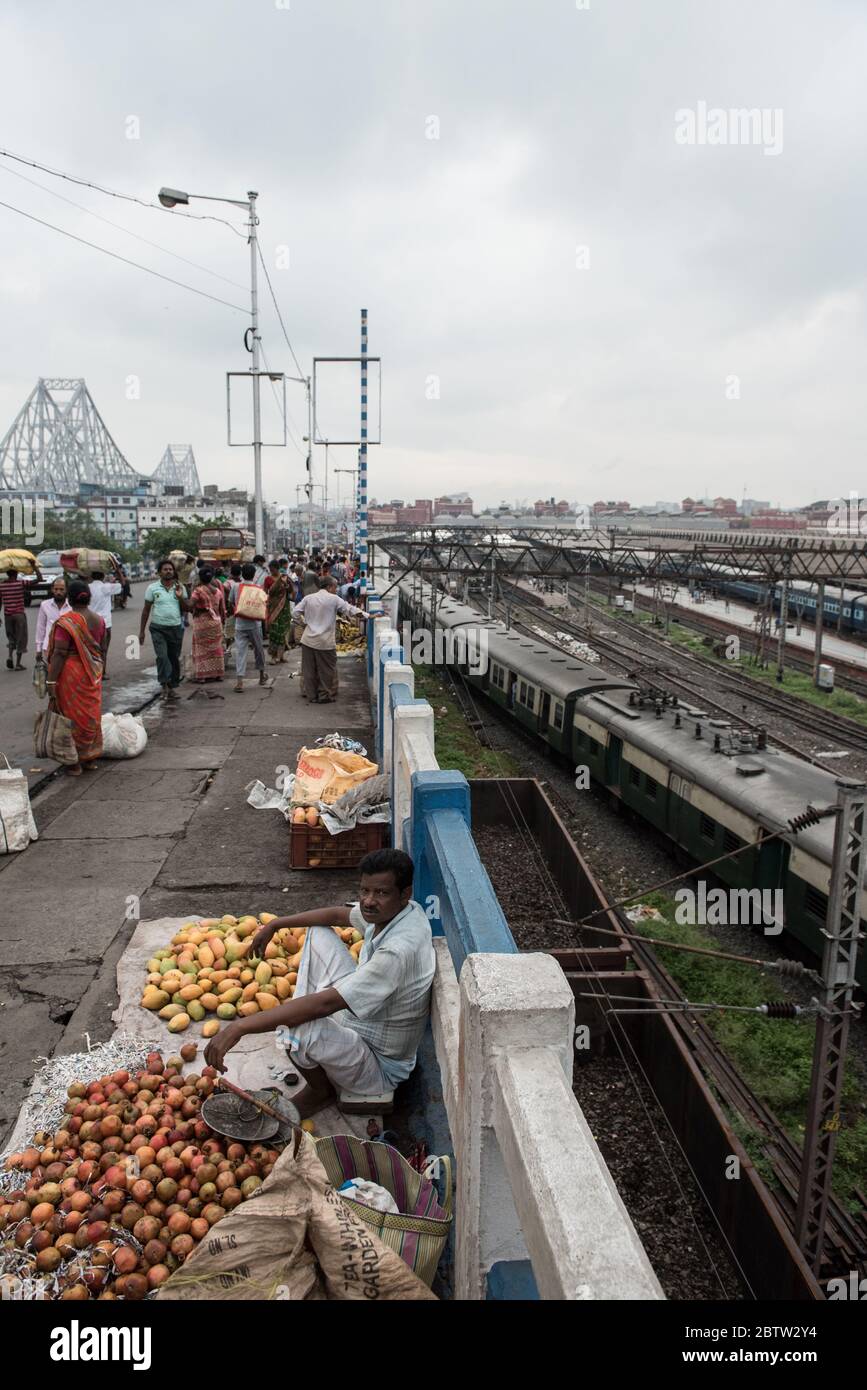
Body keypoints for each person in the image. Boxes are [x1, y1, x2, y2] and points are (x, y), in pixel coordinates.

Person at [204, 849, 435, 1117]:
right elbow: (336, 916)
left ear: (404, 894)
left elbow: (325, 1003)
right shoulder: (401, 912)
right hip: (363, 1025)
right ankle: (310, 1047)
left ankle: (319, 1091)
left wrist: (240, 1027)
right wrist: (276, 924)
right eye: (364, 891)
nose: (369, 901)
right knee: (318, 933)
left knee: (297, 1027)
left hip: (379, 1068)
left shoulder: (397, 951)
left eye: (381, 893)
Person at [46, 580, 105, 776]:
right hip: (92, 673)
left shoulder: (66, 622)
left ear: (69, 599)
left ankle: (74, 763)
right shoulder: (99, 620)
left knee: (69, 716)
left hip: (71, 673)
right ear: (89, 597)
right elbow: (101, 649)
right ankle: (89, 758)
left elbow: (60, 653)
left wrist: (51, 681)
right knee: (90, 715)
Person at [291, 575, 367, 703]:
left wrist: (304, 623)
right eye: (335, 587)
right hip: (325, 642)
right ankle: (323, 695)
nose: (336, 589)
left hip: (308, 640)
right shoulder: (334, 599)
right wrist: (368, 615)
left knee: (309, 670)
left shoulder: (308, 598)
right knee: (327, 670)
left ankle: (312, 696)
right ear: (329, 587)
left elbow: (294, 613)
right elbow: (351, 610)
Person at [140, 560, 189, 701]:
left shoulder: (180, 588)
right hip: (158, 628)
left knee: (173, 658)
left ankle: (172, 686)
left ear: (174, 572)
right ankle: (164, 685)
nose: (168, 571)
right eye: (165, 569)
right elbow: (146, 610)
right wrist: (141, 631)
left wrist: (180, 598)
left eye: (170, 569)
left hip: (175, 628)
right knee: (162, 657)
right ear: (159, 572)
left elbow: (187, 608)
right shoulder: (152, 588)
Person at [233, 561, 269, 693]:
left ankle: (240, 681)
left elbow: (232, 602)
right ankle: (261, 676)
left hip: (240, 624)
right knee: (259, 651)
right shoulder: (259, 588)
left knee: (240, 652)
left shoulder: (236, 587)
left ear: (242, 574)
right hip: (255, 624)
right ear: (254, 575)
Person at [189, 567, 226, 682]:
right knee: (217, 648)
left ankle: (202, 676)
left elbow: (191, 605)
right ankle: (218, 674)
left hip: (202, 623)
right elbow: (222, 610)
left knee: (201, 649)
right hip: (216, 623)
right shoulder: (218, 592)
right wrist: (222, 623)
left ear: (200, 577)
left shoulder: (198, 591)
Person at [88, 561, 124, 680]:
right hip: (105, 623)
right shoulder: (106, 587)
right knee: (104, 649)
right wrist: (117, 569)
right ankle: (102, 672)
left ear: (91, 576)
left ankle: (92, 672)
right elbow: (123, 584)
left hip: (90, 623)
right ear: (103, 576)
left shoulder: (87, 587)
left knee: (91, 649)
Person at [0, 566, 38, 670]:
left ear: (7, 574)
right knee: (21, 638)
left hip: (8, 616)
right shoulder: (20, 583)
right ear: (16, 574)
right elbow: (38, 579)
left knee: (11, 637)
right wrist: (35, 567)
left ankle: (9, 656)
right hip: (19, 615)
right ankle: (17, 664)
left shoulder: (2, 586)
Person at [35, 578, 71, 661]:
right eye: (56, 589)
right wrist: (38, 650)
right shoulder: (45, 605)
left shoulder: (72, 606)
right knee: (52, 671)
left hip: (68, 648)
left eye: (62, 589)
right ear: (52, 590)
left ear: (67, 590)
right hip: (49, 647)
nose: (58, 592)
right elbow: (41, 627)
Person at [266, 563, 292, 663]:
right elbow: (267, 592)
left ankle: (281, 655)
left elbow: (291, 590)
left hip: (284, 607)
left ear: (277, 568)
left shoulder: (285, 578)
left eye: (272, 569)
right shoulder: (268, 579)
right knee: (274, 632)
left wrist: (285, 584)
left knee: (283, 631)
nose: (271, 571)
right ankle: (273, 656)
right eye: (270, 569)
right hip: (273, 608)